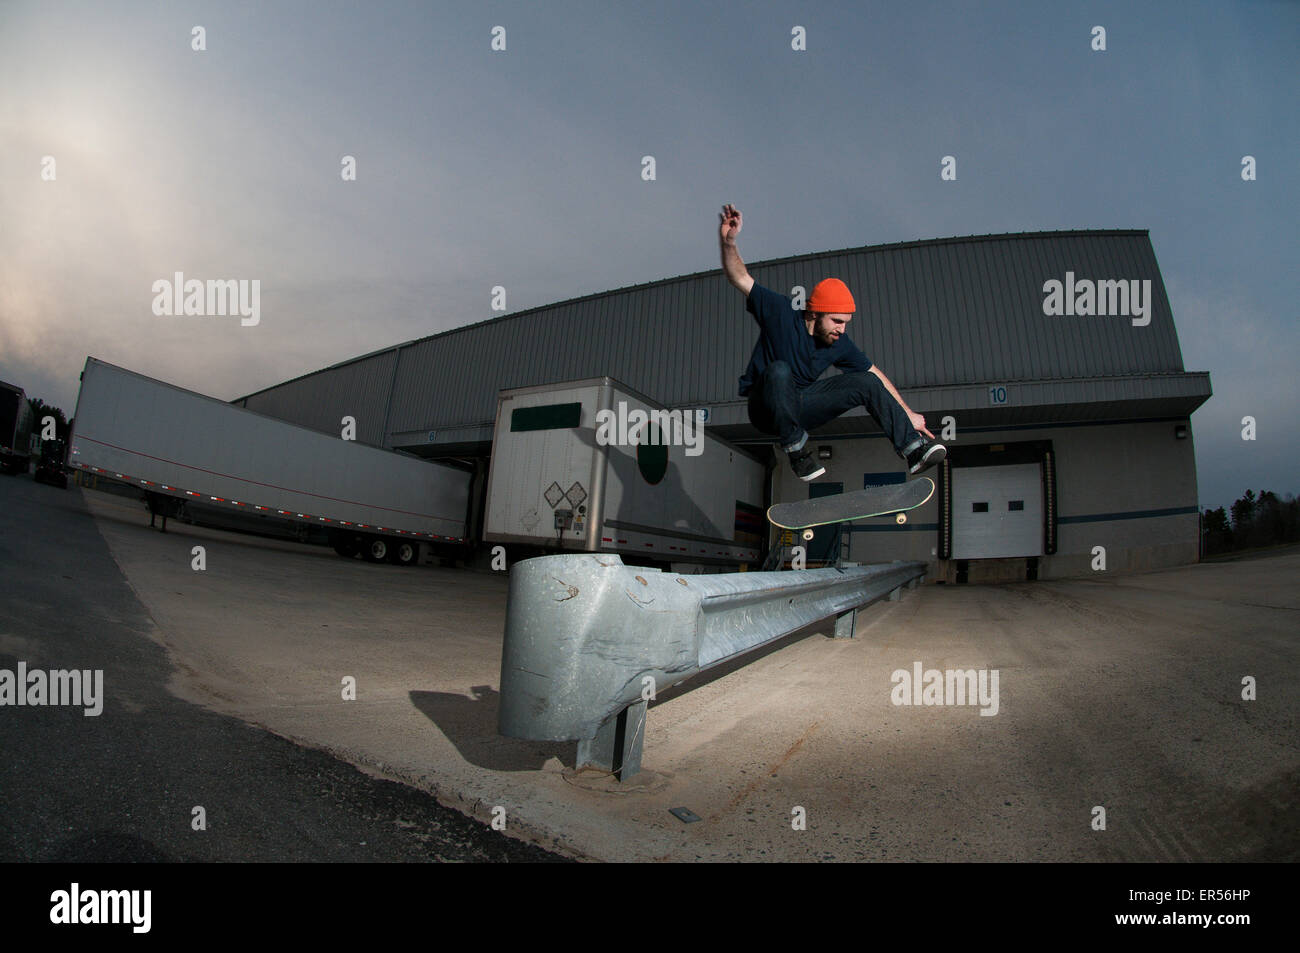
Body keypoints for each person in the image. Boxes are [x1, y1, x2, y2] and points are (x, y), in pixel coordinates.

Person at [719, 203, 946, 482]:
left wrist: (907, 413)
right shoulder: (780, 312)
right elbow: (739, 277)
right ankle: (797, 453)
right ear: (814, 312)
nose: (842, 329)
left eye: (846, 322)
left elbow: (875, 375)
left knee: (866, 381)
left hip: (803, 406)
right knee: (779, 370)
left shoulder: (840, 342)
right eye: (837, 321)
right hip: (765, 407)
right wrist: (729, 242)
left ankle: (912, 449)